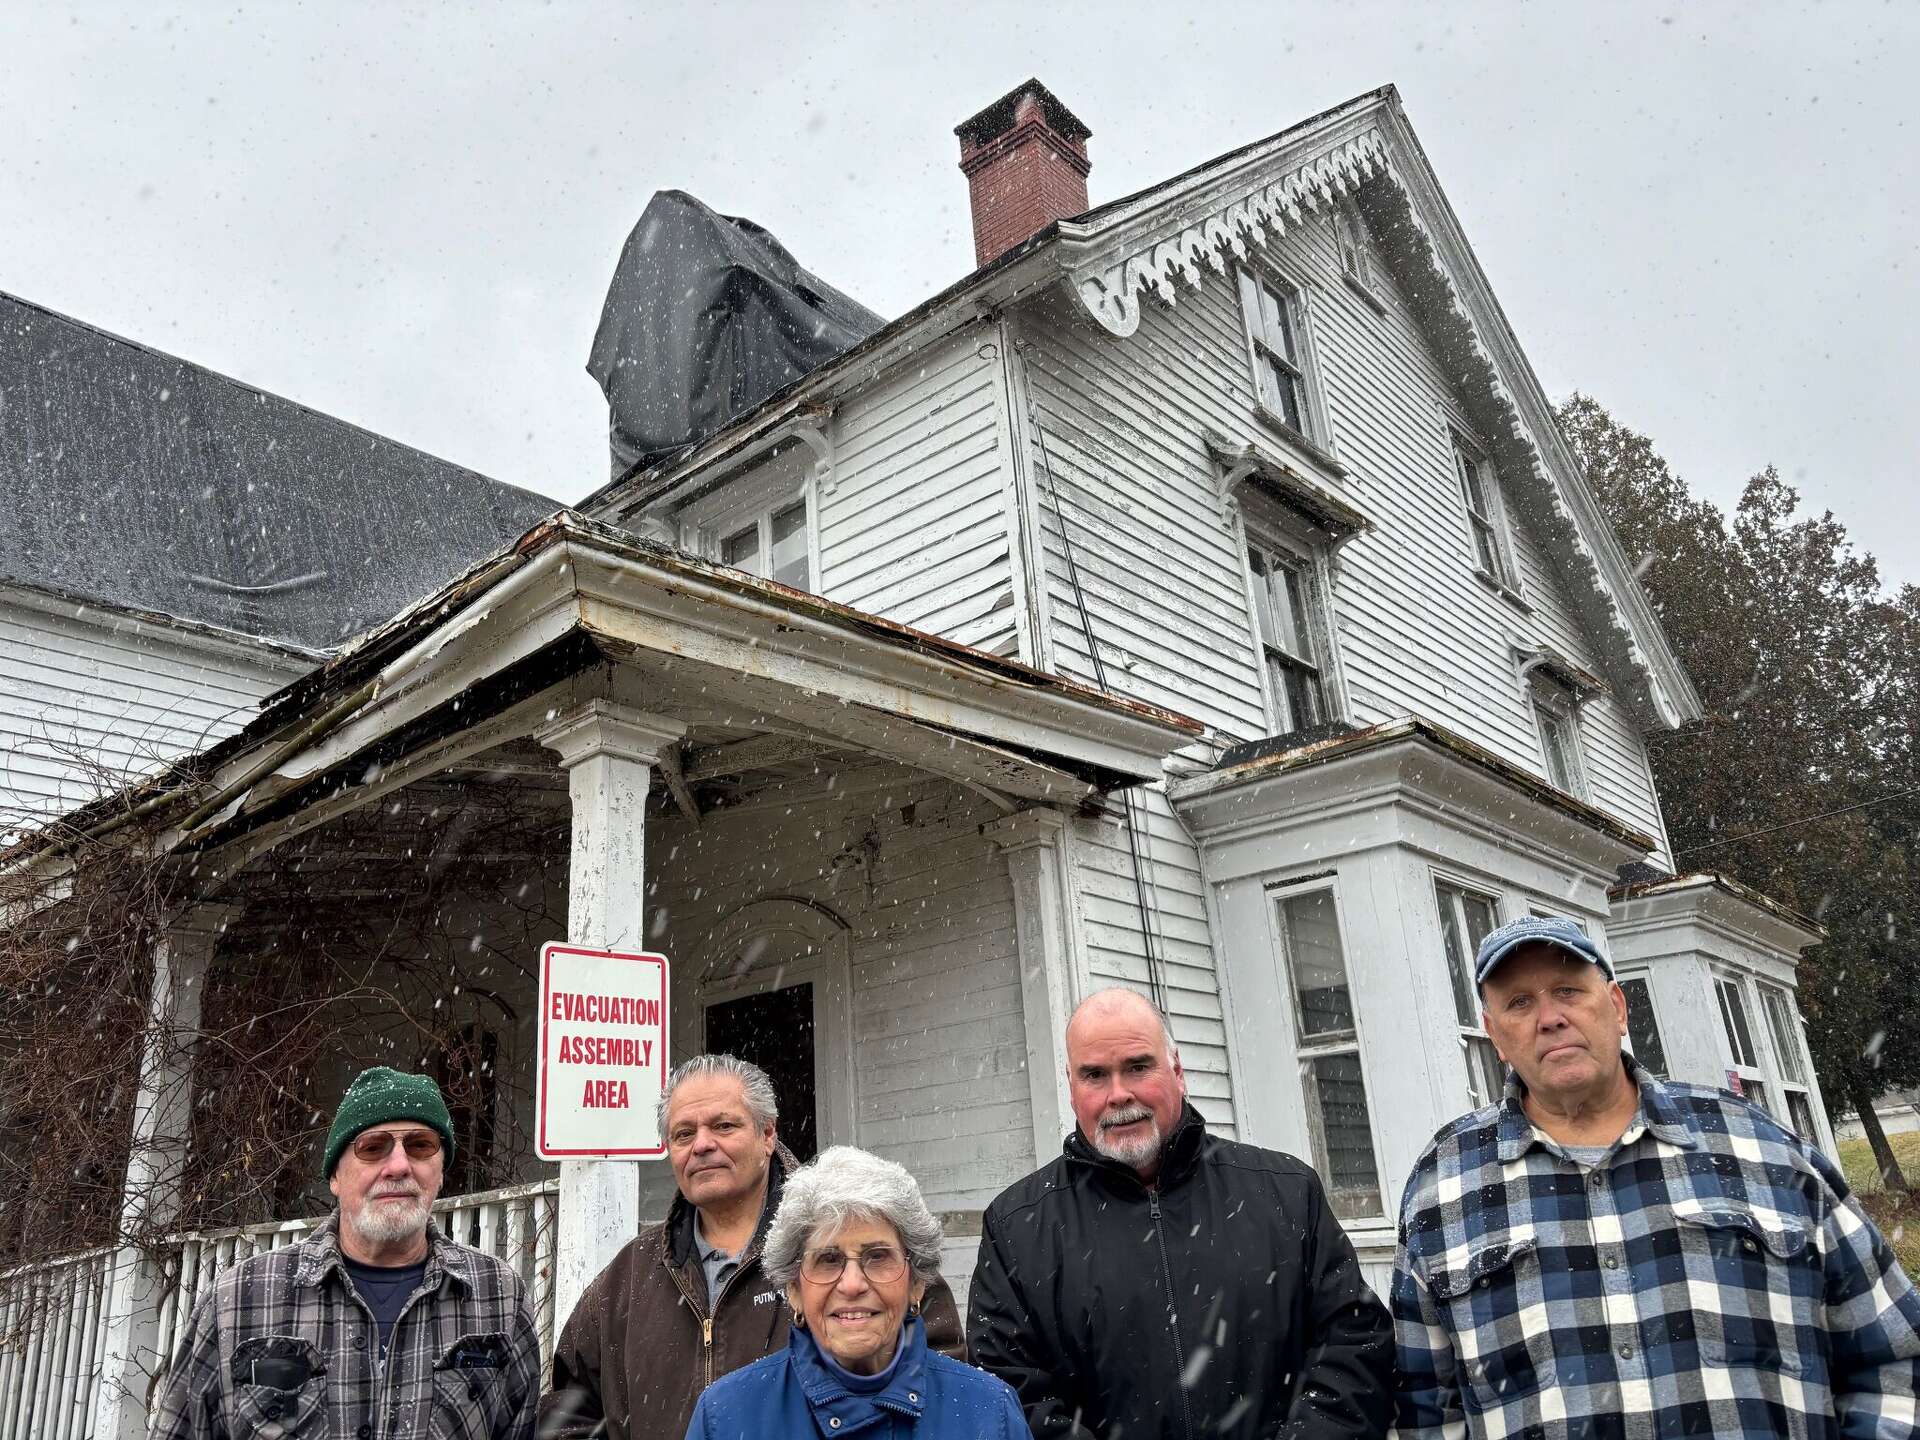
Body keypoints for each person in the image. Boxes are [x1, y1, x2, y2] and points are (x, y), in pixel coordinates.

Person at [1392, 914, 1920, 1440]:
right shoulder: (1444, 1187)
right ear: (1495, 1037)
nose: (1550, 1017)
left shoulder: (1761, 1148)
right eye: (1519, 1002)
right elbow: (1427, 1411)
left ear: (1617, 1008)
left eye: (1569, 990)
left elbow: (1893, 1362)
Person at [968, 986, 1394, 1439]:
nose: (1118, 1094)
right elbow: (1008, 1390)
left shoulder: (1285, 1192)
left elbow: (1354, 1346)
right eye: (1095, 1075)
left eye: (1137, 1067)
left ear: (1177, 1070)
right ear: (1071, 1089)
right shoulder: (1017, 1226)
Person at [542, 1054, 965, 1439]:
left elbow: (943, 1386)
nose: (702, 1144)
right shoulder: (628, 1276)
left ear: (767, 1135)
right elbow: (569, 1408)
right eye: (683, 1133)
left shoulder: (853, 1250)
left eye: (724, 1126)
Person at [151, 1066, 540, 1439]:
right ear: (335, 1176)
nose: (400, 1165)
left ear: (440, 1169)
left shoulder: (499, 1298)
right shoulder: (238, 1300)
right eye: (373, 1147)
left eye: (421, 1145)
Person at [685, 1145, 1026, 1438]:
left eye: (877, 1257)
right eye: (828, 1259)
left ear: (917, 1282)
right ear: (793, 1288)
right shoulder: (726, 1416)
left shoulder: (989, 1412)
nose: (852, 1284)